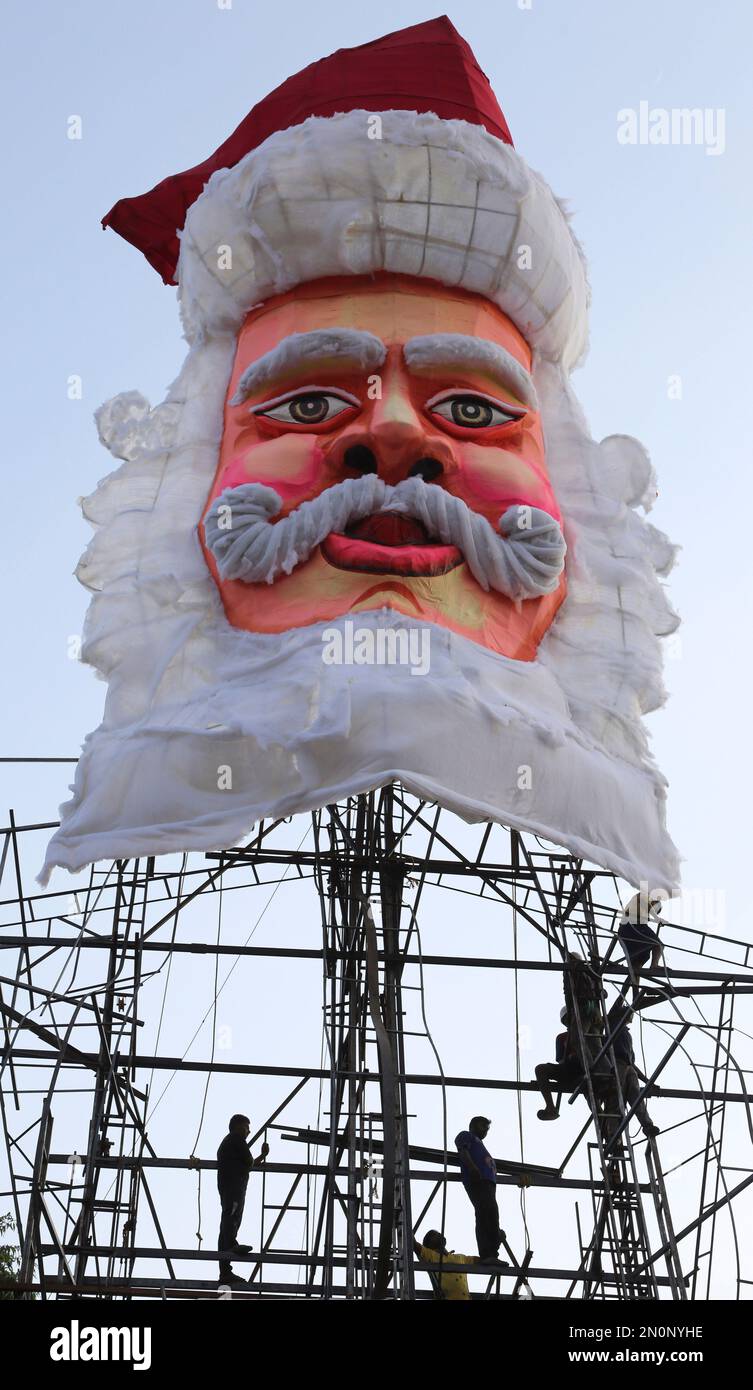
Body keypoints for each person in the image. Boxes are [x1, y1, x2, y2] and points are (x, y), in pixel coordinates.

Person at [217, 1113, 269, 1287]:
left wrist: (261, 1157)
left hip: (231, 1187)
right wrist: (258, 1157)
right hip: (234, 1188)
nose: (249, 1131)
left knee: (227, 1222)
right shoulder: (236, 1140)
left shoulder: (230, 1142)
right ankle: (231, 1246)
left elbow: (247, 1165)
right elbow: (248, 1161)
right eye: (247, 1127)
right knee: (230, 1218)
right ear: (239, 1126)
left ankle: (225, 1269)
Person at [603, 1003, 660, 1145]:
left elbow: (632, 1062)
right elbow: (614, 1008)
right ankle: (613, 1135)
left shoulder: (627, 1034)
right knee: (615, 1099)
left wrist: (648, 1081)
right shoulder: (613, 1025)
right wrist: (626, 990)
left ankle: (648, 1126)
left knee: (636, 1098)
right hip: (616, 1063)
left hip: (628, 1066)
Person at [454, 1117, 506, 1261]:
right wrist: (472, 1167)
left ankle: (493, 1249)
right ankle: (487, 1253)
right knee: (484, 1212)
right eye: (483, 1126)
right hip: (478, 1180)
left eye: (487, 1128)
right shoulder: (466, 1136)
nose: (486, 1130)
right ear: (474, 1124)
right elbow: (463, 1151)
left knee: (492, 1213)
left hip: (488, 1183)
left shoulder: (481, 1145)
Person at [535, 1009, 585, 1120]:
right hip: (568, 1069)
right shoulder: (562, 1037)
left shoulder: (588, 1034)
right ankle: (550, 1107)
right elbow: (560, 1060)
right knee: (540, 1069)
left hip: (583, 1071)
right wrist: (570, 1057)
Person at [618, 891, 665, 1003]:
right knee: (658, 945)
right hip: (633, 925)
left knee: (636, 966)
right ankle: (654, 965)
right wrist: (656, 918)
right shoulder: (645, 896)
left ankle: (635, 996)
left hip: (625, 930)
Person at [414, 1229, 479, 1300]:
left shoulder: (460, 1257)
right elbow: (414, 1245)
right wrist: (406, 1228)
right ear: (429, 1245)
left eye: (438, 1233)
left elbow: (480, 1260)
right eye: (434, 1235)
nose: (439, 1234)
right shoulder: (430, 1256)